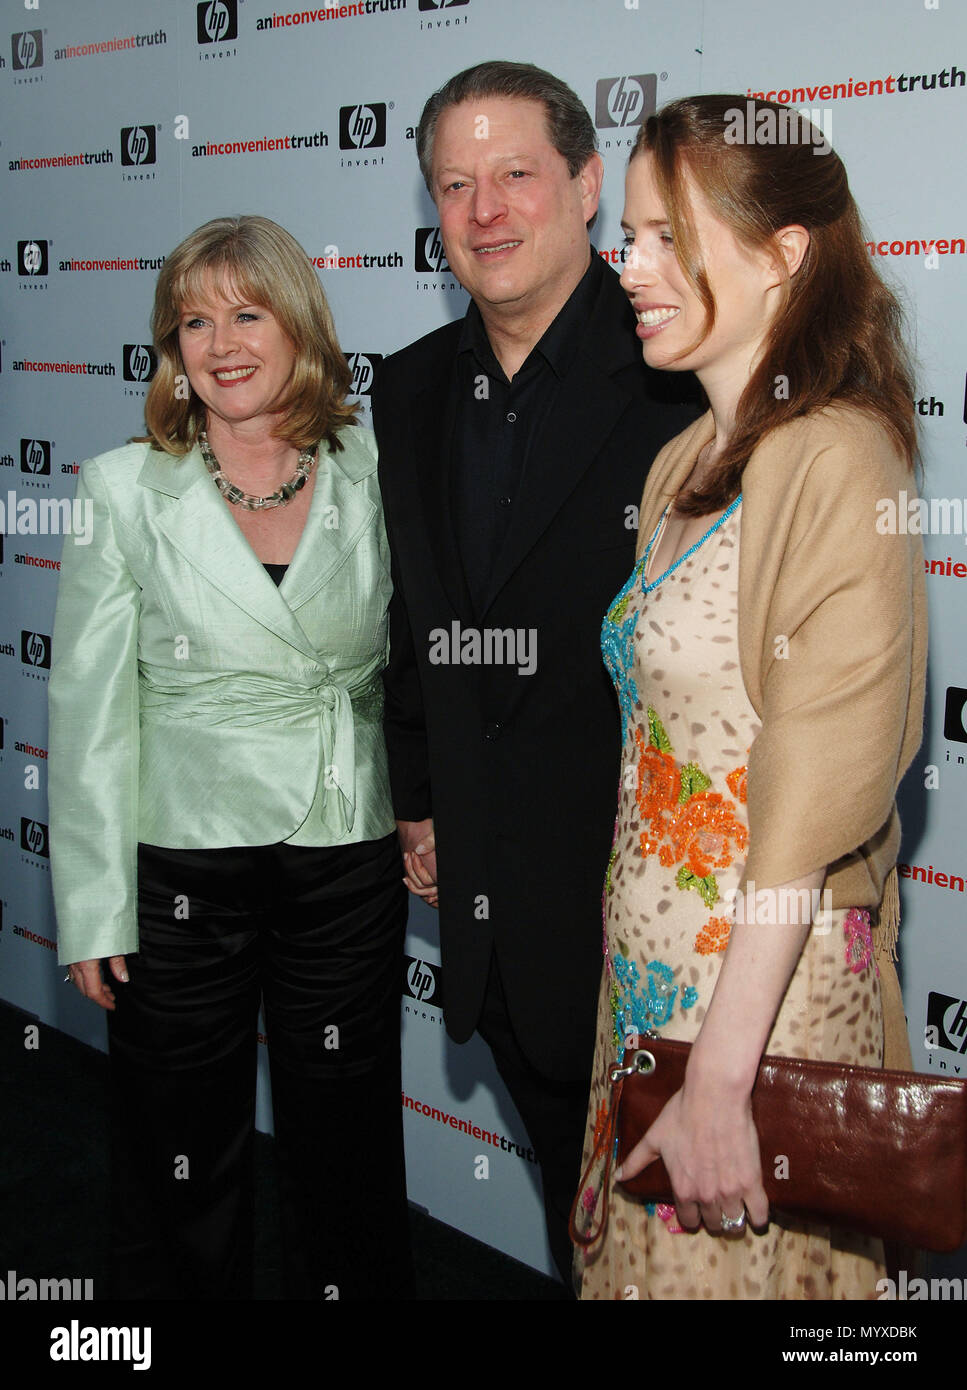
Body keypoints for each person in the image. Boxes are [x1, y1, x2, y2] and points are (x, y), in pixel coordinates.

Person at [573, 96, 926, 1299]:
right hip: (655, 979)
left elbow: (818, 789)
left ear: (786, 253)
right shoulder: (684, 459)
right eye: (628, 235)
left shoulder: (834, 456)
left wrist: (723, 1077)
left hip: (760, 1007)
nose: (629, 266)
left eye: (669, 236)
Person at [372, 61, 699, 1283]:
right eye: (454, 185)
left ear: (584, 184)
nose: (486, 210)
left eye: (515, 174)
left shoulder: (683, 374)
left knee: (687, 1257)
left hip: (653, 930)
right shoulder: (404, 390)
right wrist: (417, 792)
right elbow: (412, 623)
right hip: (490, 929)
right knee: (586, 1234)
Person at [49, 215, 413, 1301]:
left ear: (298, 322)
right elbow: (91, 711)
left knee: (343, 1134)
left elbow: (417, 658)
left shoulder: (370, 462)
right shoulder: (123, 488)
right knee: (177, 1144)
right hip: (181, 866)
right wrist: (93, 905)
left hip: (344, 852)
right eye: (193, 320)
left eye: (247, 311)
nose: (221, 341)